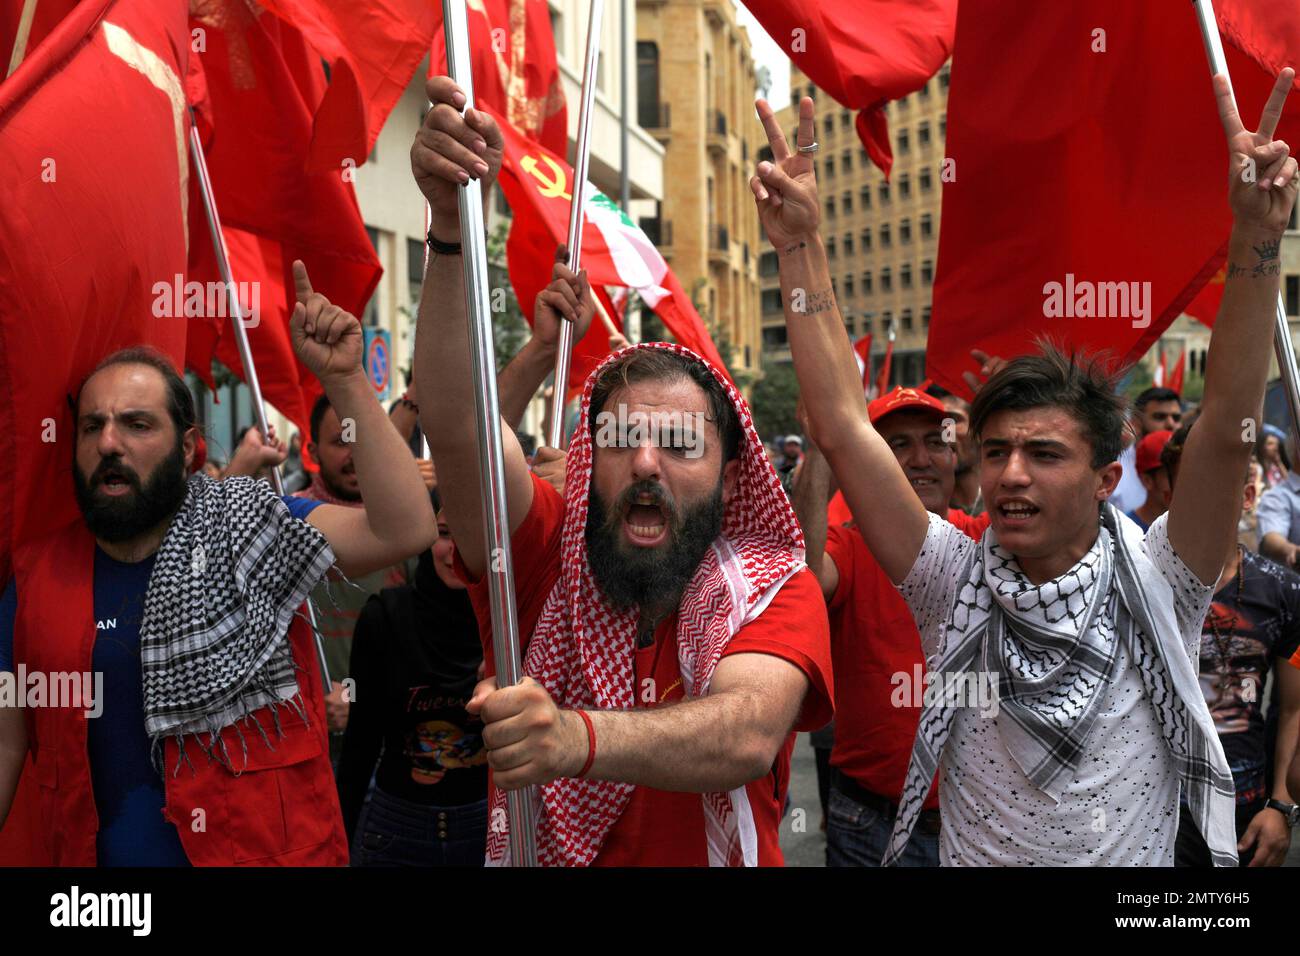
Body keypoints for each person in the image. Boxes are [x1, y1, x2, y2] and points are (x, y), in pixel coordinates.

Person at [752, 67, 1297, 865]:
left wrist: (1255, 236)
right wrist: (800, 248)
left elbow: (1223, 433)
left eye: (1044, 455)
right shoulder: (948, 577)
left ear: (1108, 481)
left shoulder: (1164, 577)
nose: (1010, 475)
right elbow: (841, 424)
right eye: (997, 451)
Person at [411, 75, 833, 866]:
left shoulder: (774, 585)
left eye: (679, 444)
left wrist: (574, 737)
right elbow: (459, 424)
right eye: (619, 438)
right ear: (585, 459)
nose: (645, 461)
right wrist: (448, 231)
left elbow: (744, 731)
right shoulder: (542, 555)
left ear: (735, 477)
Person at [0, 261, 437, 865]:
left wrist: (346, 382)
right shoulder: (34, 580)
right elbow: (5, 746)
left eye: (136, 424)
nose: (108, 443)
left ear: (185, 448)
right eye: (92, 426)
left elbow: (405, 527)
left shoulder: (252, 526)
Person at [792, 386, 989, 867]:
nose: (921, 459)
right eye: (897, 445)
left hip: (982, 823)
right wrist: (822, 445)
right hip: (871, 824)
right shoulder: (849, 548)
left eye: (935, 441)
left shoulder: (988, 541)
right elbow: (804, 578)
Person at [1160, 420, 1300, 866]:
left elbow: (1294, 708)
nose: (1204, 500)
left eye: (1219, 485)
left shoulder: (1282, 590)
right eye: (1190, 485)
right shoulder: (1136, 579)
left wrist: (1281, 806)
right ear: (1170, 492)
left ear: (1247, 496)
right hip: (1151, 810)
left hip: (1245, 808)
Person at [338, 507, 489, 867]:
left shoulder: (509, 622)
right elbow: (360, 744)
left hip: (488, 827)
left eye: (471, 535)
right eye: (443, 533)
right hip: (395, 831)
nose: (454, 550)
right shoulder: (384, 618)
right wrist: (338, 841)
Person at [297, 393, 422, 763]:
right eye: (339, 442)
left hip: (390, 745)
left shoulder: (408, 534)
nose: (353, 454)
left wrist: (361, 698)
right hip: (308, 741)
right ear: (312, 450)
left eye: (360, 441)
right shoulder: (284, 527)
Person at [1111, 386, 1184, 513]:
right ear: (1136, 422)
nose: (1170, 424)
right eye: (1160, 417)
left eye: (1176, 418)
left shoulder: (1193, 466)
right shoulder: (1113, 468)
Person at [1124, 429, 1174, 531]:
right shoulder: (1125, 532)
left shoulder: (1192, 526)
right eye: (1171, 475)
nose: (1179, 483)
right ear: (1147, 480)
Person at [1257, 424, 1290, 489]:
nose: (1275, 447)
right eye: (1270, 444)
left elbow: (1290, 484)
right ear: (1261, 447)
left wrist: (1279, 463)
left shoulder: (1276, 467)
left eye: (1276, 444)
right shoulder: (1257, 468)